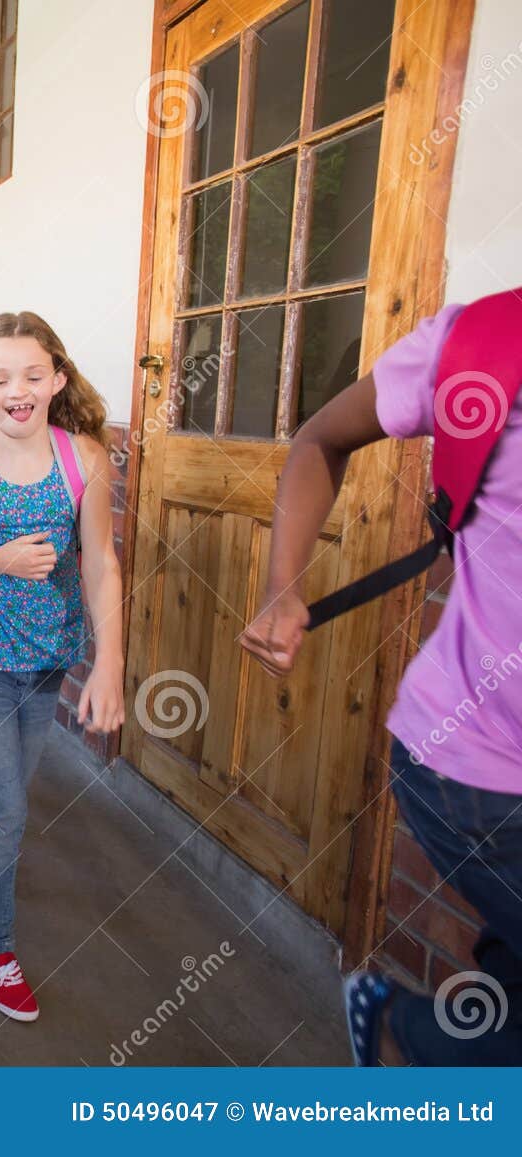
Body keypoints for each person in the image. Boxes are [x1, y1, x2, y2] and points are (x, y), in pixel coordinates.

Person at [240, 291, 522, 1066]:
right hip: (478, 764)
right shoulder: (484, 343)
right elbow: (320, 438)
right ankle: (407, 1032)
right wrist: (281, 587)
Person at [0, 311, 125, 1022]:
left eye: (33, 376)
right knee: (8, 807)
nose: (18, 389)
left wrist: (109, 668)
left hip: (49, 655)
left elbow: (100, 561)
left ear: (57, 380)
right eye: (0, 377)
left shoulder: (86, 459)